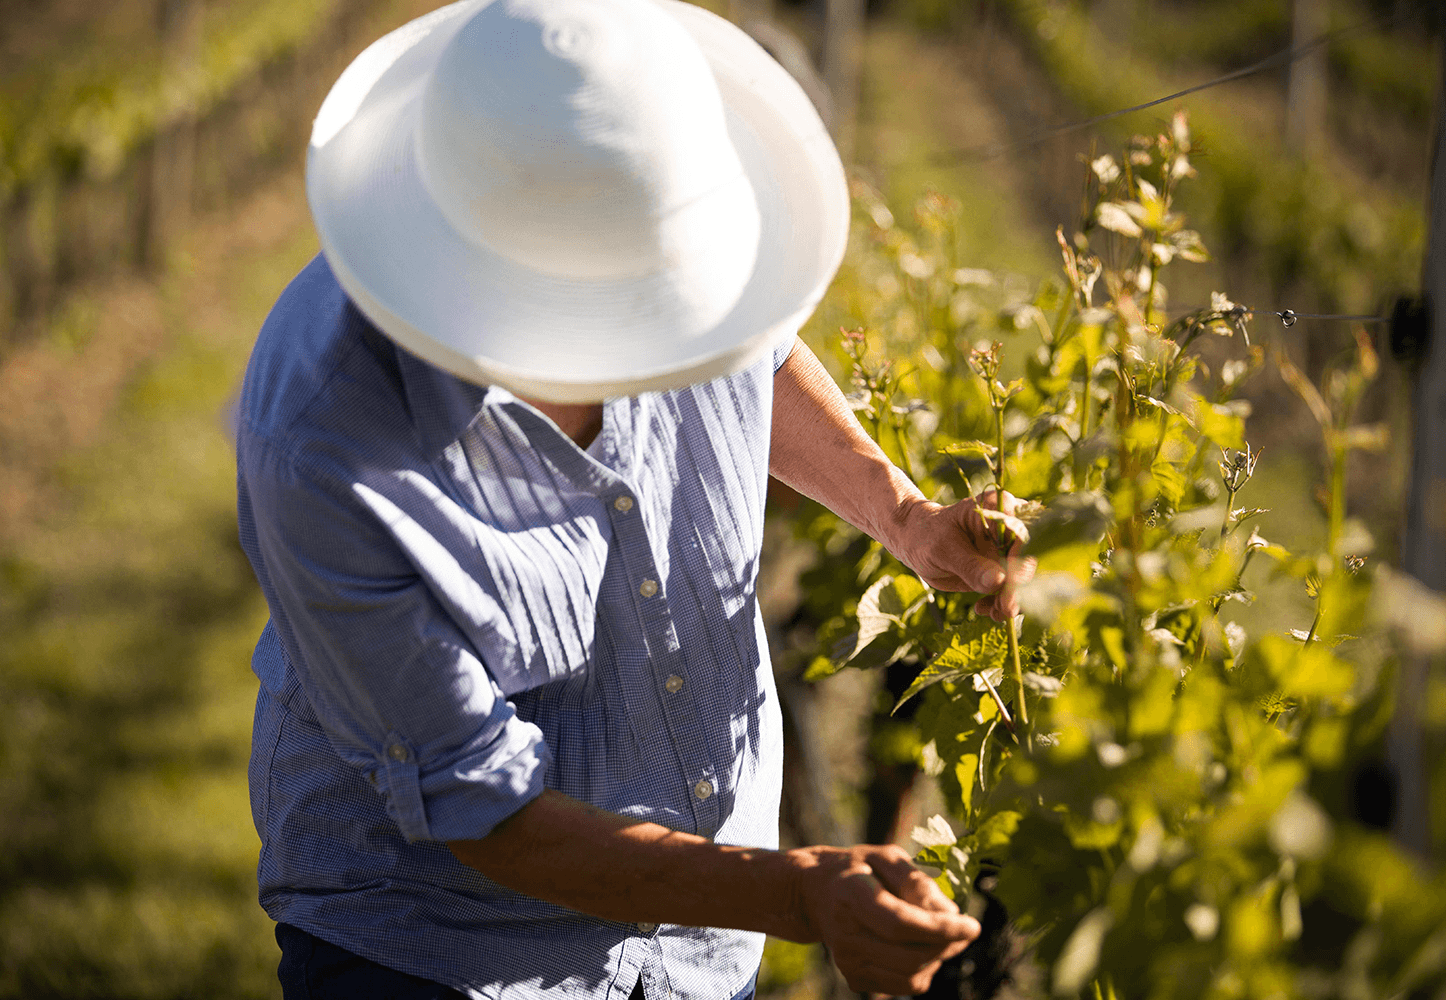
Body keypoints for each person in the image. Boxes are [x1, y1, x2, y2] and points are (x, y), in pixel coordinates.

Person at [235, 1, 1028, 998]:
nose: (661, 352)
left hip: (702, 953)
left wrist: (905, 517)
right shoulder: (328, 439)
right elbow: (489, 807)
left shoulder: (672, 242)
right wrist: (800, 896)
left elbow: (759, 352)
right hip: (438, 953)